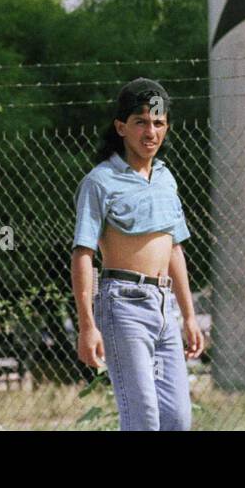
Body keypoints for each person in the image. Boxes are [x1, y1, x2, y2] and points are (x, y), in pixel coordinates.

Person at [70, 78, 205, 431]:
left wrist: (189, 316)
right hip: (123, 306)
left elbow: (174, 248)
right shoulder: (99, 182)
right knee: (142, 419)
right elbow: (83, 253)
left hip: (164, 308)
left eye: (158, 123)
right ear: (121, 127)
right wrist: (87, 326)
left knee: (177, 418)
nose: (151, 132)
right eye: (141, 122)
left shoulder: (166, 178)